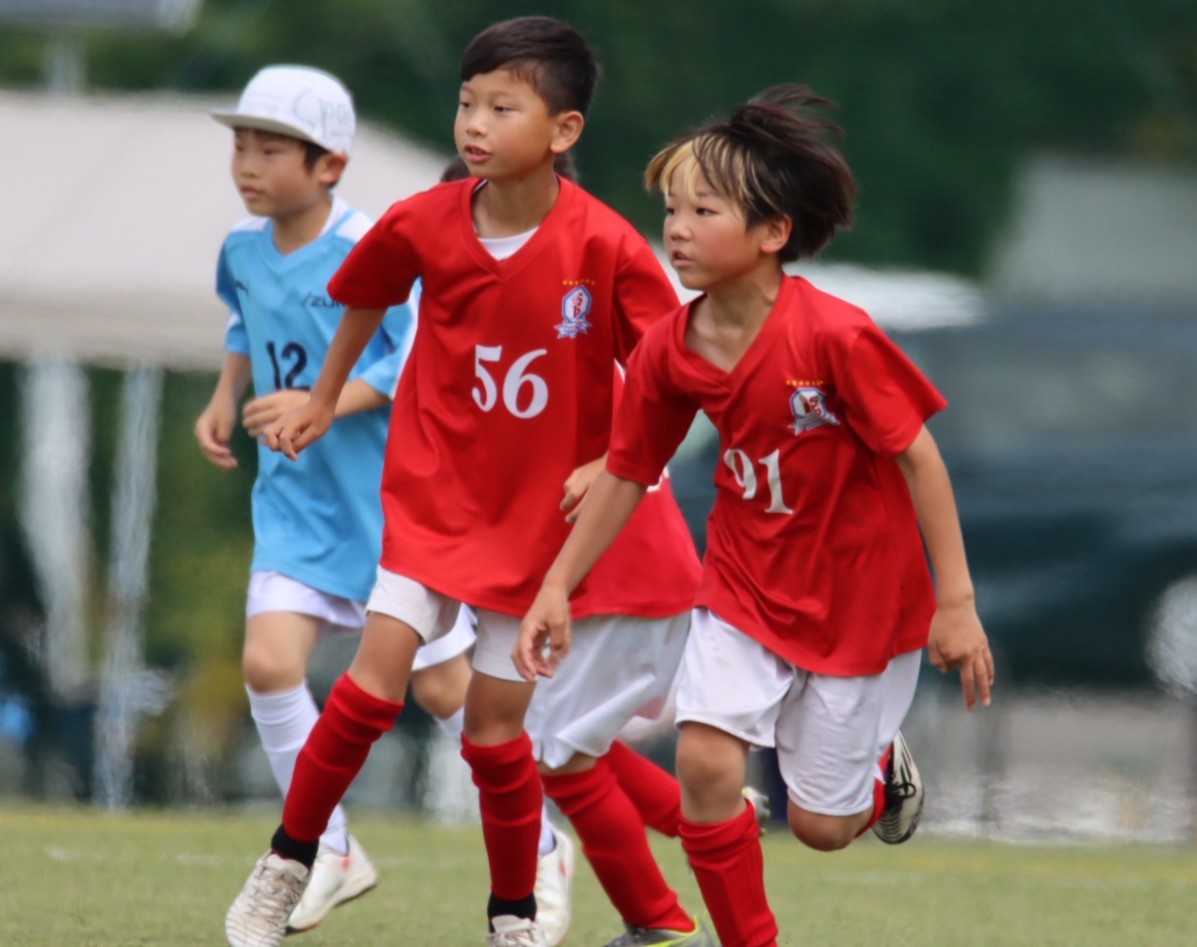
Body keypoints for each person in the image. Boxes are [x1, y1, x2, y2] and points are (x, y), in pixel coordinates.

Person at [224, 18, 713, 947]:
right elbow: (365, 292)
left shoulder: (604, 246)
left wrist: (615, 456)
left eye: (501, 107)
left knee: (496, 735)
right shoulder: (424, 218)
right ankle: (287, 862)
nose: (475, 124)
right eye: (466, 104)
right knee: (372, 685)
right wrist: (323, 399)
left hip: (536, 534)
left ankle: (512, 914)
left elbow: (668, 376)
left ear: (563, 130)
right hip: (435, 497)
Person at [516, 85, 996, 947]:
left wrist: (954, 604)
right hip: (742, 586)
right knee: (704, 762)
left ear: (773, 232)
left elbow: (920, 459)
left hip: (861, 602)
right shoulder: (669, 348)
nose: (677, 229)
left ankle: (876, 769)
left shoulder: (836, 336)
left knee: (820, 826)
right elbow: (628, 470)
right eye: (671, 209)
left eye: (703, 211)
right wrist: (557, 585)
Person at [197, 64, 571, 940]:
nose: (247, 165)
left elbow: (416, 355)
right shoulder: (240, 248)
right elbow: (244, 322)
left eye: (270, 149)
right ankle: (327, 847)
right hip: (295, 503)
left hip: (390, 505)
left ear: (329, 165)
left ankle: (542, 846)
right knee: (268, 664)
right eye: (240, 146)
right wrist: (225, 394)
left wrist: (323, 403)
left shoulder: (378, 241)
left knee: (449, 697)